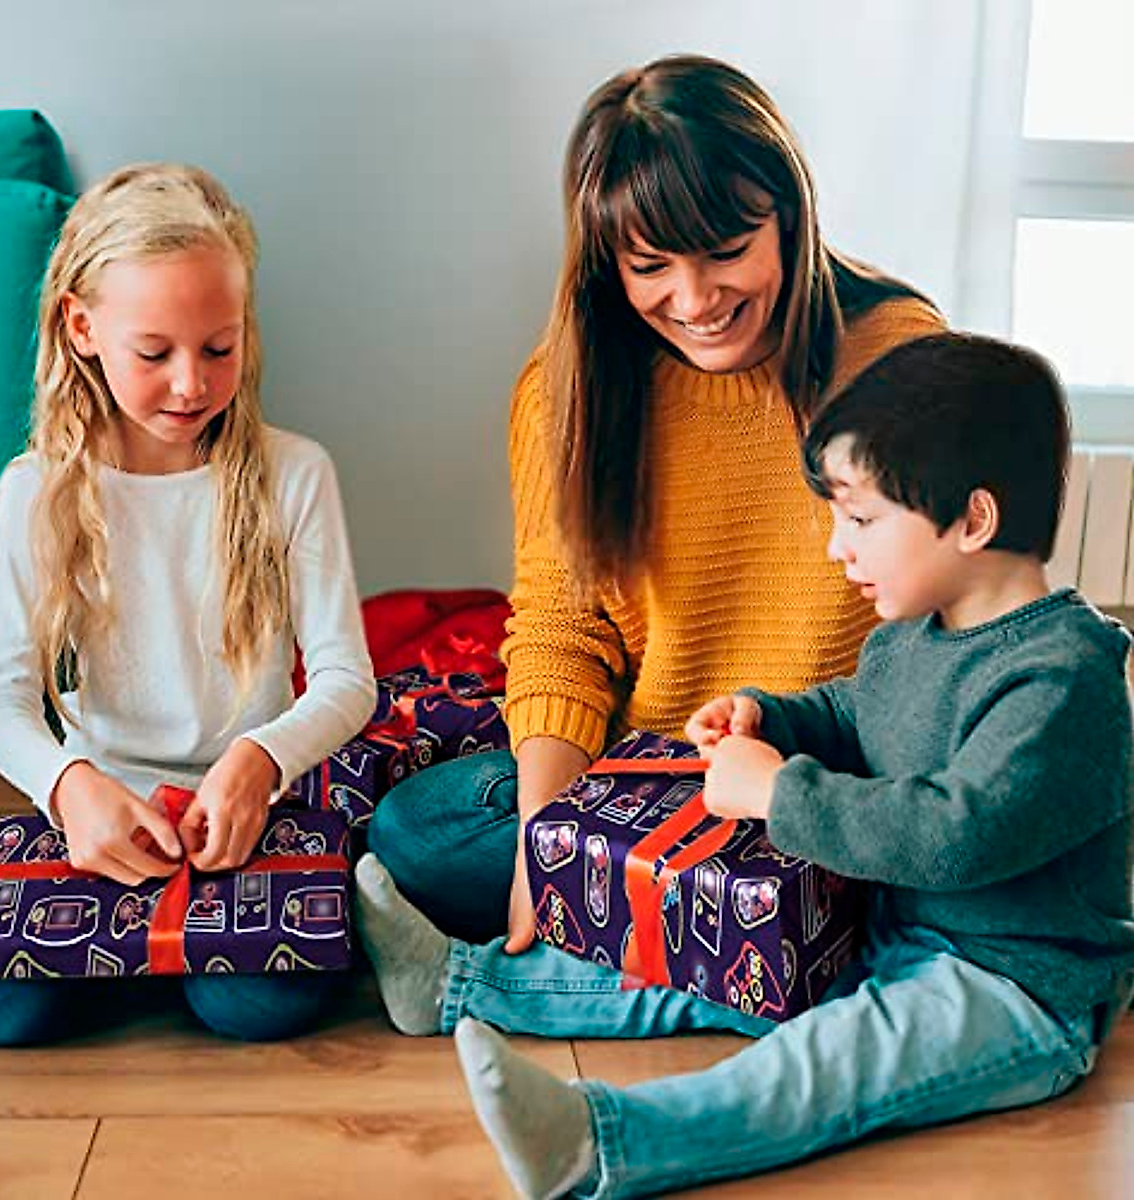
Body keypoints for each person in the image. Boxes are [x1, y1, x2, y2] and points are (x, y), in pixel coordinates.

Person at [354, 330, 1134, 1198]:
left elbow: (957, 833)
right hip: (890, 927)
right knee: (696, 966)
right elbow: (853, 714)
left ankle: (601, 1142)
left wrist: (778, 792)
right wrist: (769, 717)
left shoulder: (1064, 679)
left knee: (824, 1067)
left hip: (1014, 986)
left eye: (861, 519)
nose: (837, 547)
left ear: (974, 521)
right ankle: (458, 984)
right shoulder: (917, 634)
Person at [366, 53, 945, 948]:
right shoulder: (564, 393)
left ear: (789, 220)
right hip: (655, 777)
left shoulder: (897, 357)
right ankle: (694, 929)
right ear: (608, 261)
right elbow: (562, 632)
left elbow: (950, 613)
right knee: (417, 827)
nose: (695, 299)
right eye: (650, 266)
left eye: (727, 253)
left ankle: (647, 939)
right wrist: (546, 856)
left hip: (832, 786)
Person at [0, 163, 377, 1046]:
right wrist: (70, 788)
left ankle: (132, 965)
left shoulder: (295, 474)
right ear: (83, 329)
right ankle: (141, 957)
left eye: (219, 348)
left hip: (247, 818)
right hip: (103, 823)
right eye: (154, 353)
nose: (190, 385)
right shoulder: (35, 493)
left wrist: (259, 760)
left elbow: (346, 679)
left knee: (259, 1006)